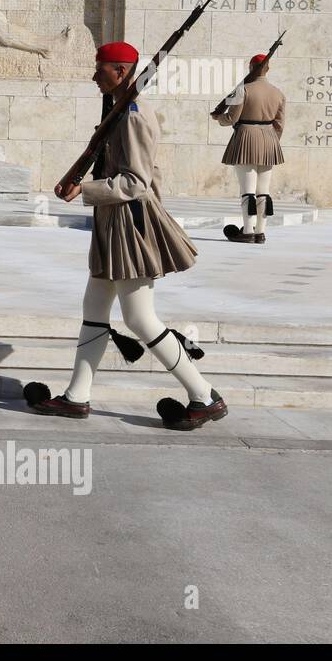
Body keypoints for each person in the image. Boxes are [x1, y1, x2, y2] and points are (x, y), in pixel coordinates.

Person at [23, 41, 226, 431]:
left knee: (139, 318)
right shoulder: (119, 110)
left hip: (130, 224)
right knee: (94, 311)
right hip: (111, 223)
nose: (94, 75)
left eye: (100, 69)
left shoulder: (134, 114)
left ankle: (204, 396)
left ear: (121, 72)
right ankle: (77, 396)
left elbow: (136, 182)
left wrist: (86, 190)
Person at [216, 54, 285, 244]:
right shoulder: (278, 93)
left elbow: (231, 118)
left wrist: (218, 118)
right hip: (269, 138)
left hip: (246, 137)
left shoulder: (243, 90)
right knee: (264, 190)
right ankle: (260, 231)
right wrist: (270, 140)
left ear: (250, 68)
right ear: (268, 69)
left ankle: (248, 231)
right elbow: (279, 123)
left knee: (248, 189)